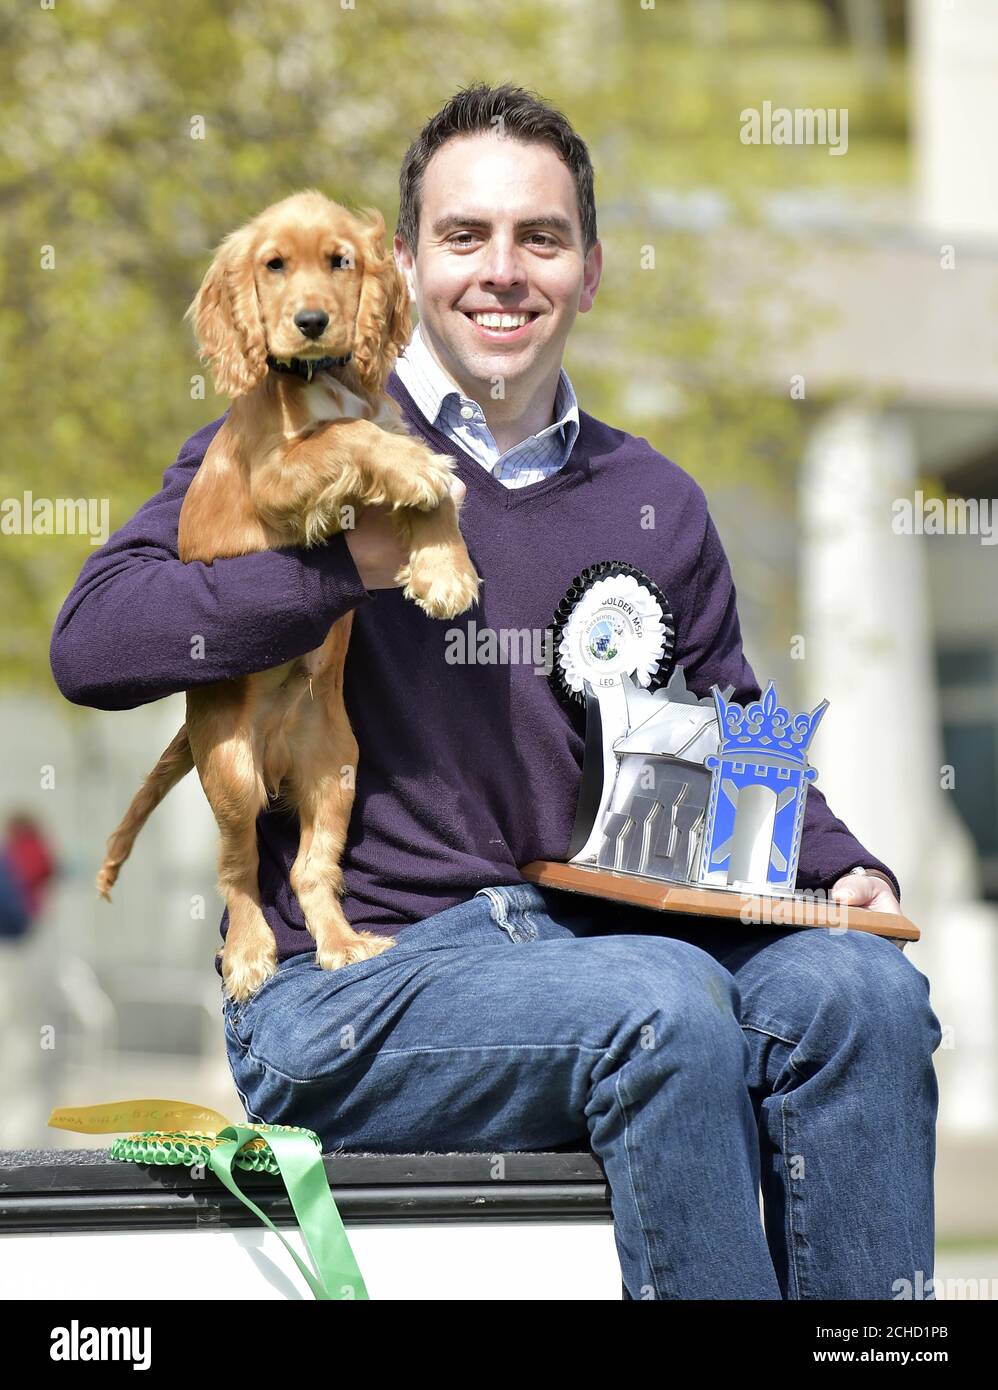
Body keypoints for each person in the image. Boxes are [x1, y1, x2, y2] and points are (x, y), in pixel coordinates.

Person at [49, 82, 942, 1300]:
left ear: (590, 269)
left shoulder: (656, 498)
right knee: (663, 1001)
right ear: (402, 267)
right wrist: (336, 571)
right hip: (349, 985)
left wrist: (835, 866)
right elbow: (92, 644)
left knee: (862, 995)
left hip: (587, 942)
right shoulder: (302, 432)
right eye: (463, 236)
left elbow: (727, 706)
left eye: (542, 237)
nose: (502, 270)